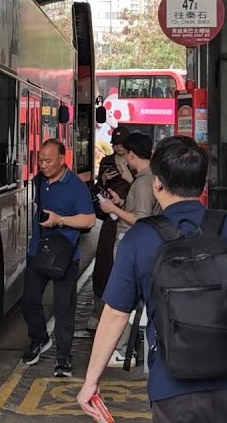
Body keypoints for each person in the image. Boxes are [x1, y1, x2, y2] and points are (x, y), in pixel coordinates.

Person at [77, 136, 227, 423]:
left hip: (173, 391)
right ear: (204, 184)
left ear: (156, 184)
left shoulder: (140, 239)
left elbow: (114, 316)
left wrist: (91, 381)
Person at [23, 139, 96, 377]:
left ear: (62, 159)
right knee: (29, 301)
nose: (43, 165)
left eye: (48, 160)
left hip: (65, 256)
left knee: (64, 309)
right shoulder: (39, 181)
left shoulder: (76, 187)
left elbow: (89, 220)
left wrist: (60, 221)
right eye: (40, 160)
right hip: (38, 252)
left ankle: (63, 359)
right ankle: (39, 339)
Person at [97, 131, 159, 365]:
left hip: (129, 240)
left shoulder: (143, 182)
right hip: (136, 243)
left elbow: (141, 218)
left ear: (132, 155)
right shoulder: (147, 179)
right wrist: (121, 202)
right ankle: (128, 349)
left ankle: (124, 351)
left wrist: (113, 210)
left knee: (125, 297)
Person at [88, 126, 132, 330]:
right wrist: (103, 181)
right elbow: (97, 189)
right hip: (110, 221)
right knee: (104, 265)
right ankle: (98, 311)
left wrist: (128, 179)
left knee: (127, 267)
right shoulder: (107, 162)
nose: (119, 148)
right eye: (116, 144)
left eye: (122, 145)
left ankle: (126, 317)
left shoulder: (137, 165)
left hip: (130, 219)